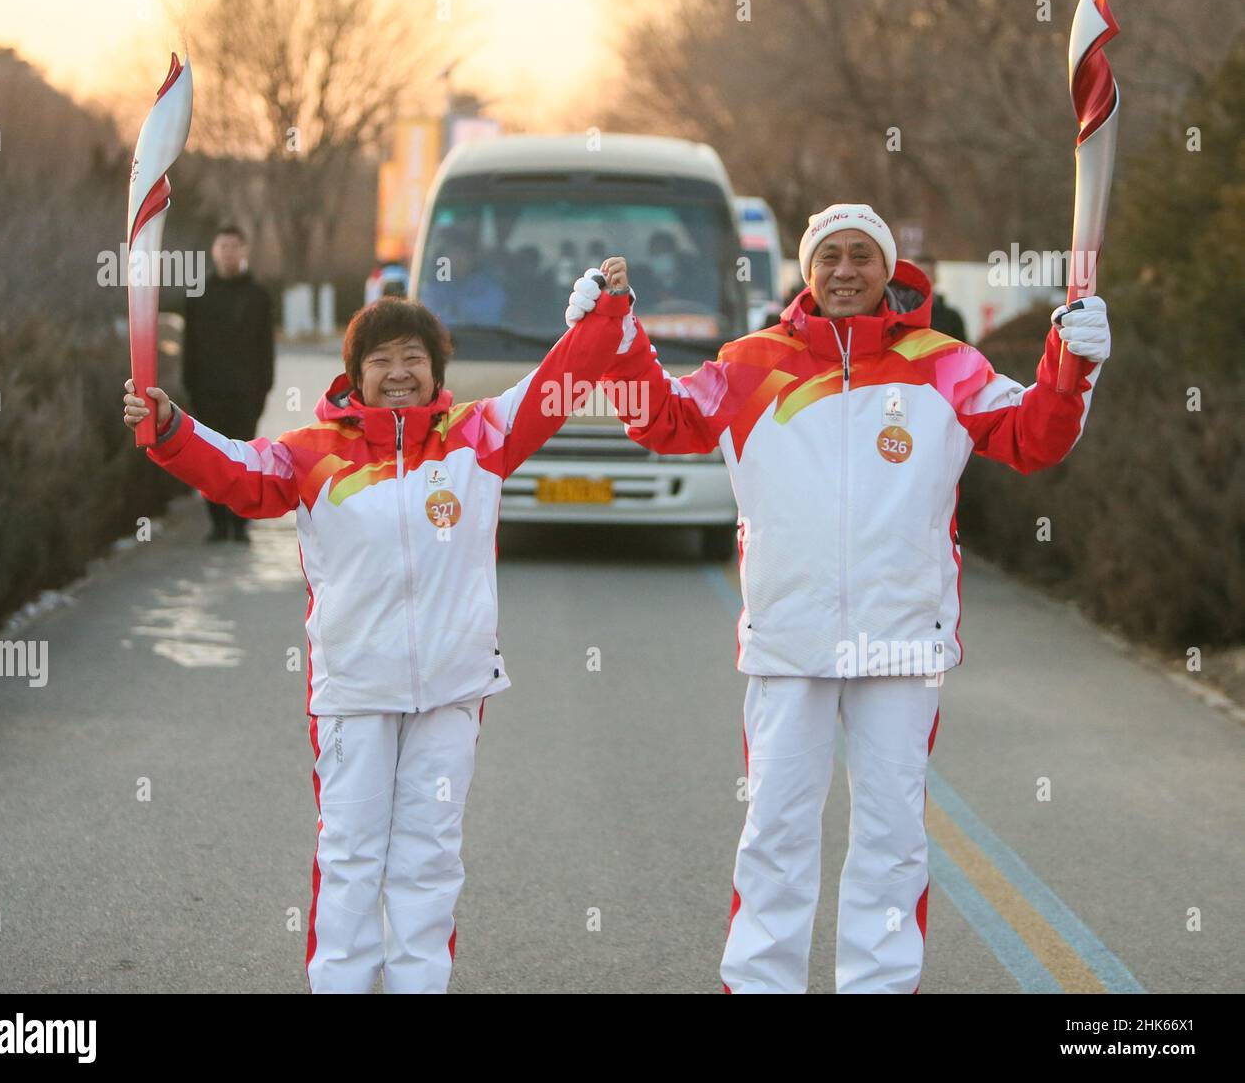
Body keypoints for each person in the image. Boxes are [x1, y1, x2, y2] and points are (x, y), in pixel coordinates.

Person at [572, 205, 1110, 994]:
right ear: (808, 271)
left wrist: (1071, 365)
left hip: (902, 637)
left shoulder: (946, 363)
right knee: (777, 831)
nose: (846, 270)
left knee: (892, 838)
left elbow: (1034, 437)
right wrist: (617, 335)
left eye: (863, 255)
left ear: (888, 271)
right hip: (791, 637)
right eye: (831, 257)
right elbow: (663, 418)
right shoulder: (751, 363)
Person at [123, 265, 632, 994]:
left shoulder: (479, 437)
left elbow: (559, 385)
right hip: (355, 690)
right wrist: (171, 428)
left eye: (413, 359)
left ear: (436, 370)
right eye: (381, 361)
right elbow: (239, 472)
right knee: (352, 853)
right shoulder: (311, 451)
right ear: (355, 376)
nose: (399, 374)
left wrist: (605, 316)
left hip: (452, 687)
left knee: (429, 854)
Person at [182, 224, 275, 543]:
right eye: (223, 246)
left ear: (244, 251)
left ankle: (240, 524)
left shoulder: (259, 296)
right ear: (214, 251)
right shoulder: (198, 296)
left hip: (246, 392)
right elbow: (189, 347)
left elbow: (266, 349)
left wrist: (264, 388)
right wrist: (190, 387)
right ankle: (218, 523)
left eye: (234, 246)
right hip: (208, 391)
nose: (229, 253)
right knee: (210, 459)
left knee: (243, 457)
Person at [914, 256, 967, 341]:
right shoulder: (903, 315)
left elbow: (962, 351)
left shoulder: (952, 318)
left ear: (935, 277)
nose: (921, 278)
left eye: (926, 273)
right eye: (917, 273)